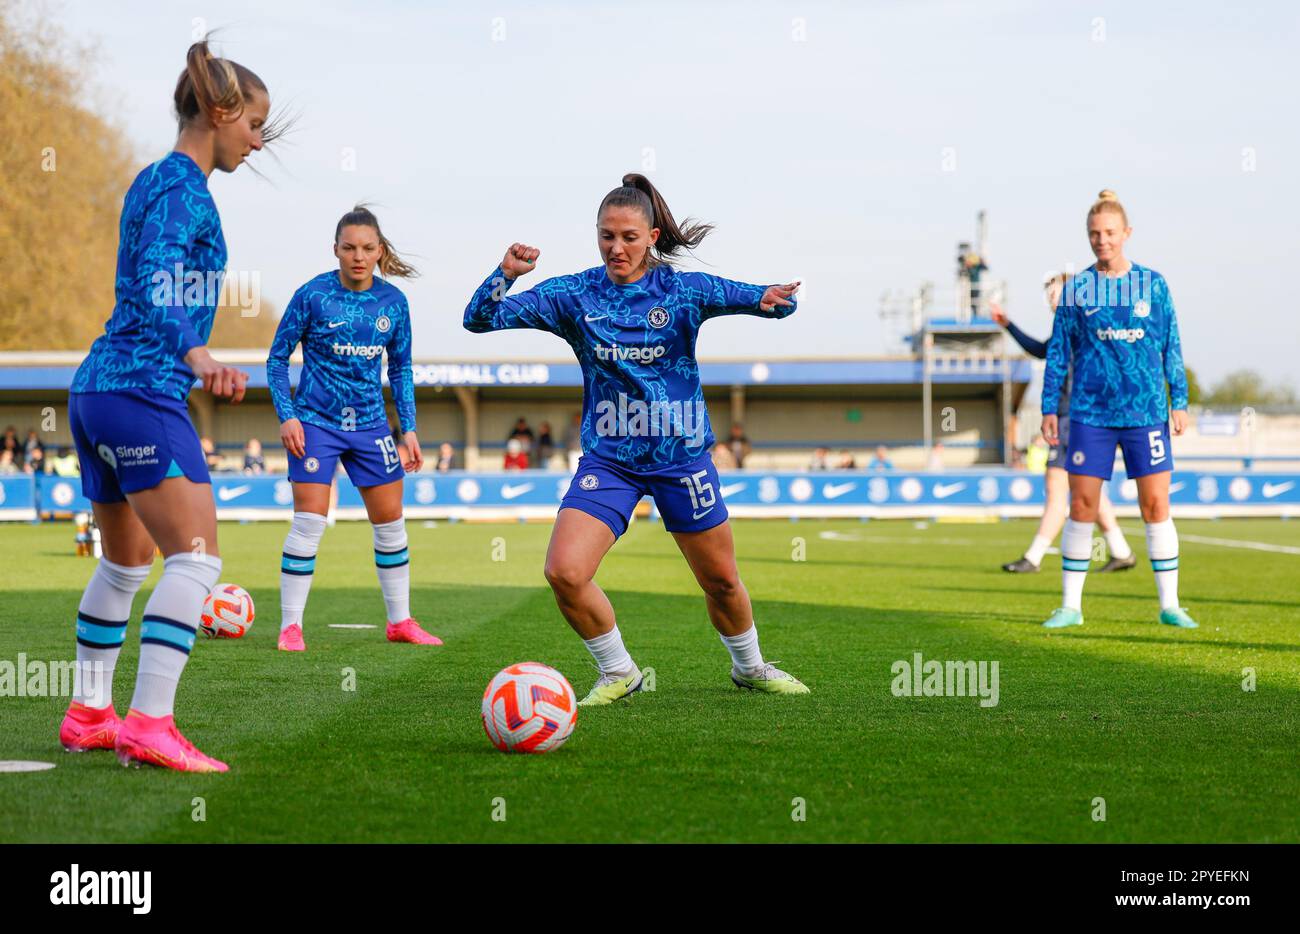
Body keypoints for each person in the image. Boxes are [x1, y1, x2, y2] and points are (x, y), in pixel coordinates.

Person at [464, 172, 808, 702]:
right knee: (564, 571)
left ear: (651, 237)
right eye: (607, 235)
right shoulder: (572, 294)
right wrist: (505, 273)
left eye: (628, 236)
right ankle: (619, 671)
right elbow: (478, 321)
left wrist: (775, 300)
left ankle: (750, 667)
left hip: (682, 457)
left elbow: (767, 300)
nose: (616, 247)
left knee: (720, 582)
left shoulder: (684, 289)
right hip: (611, 461)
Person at [59, 40, 277, 772]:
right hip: (141, 390)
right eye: (253, 123)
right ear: (218, 112)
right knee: (197, 558)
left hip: (96, 390)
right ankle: (151, 724)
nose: (257, 139)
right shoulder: (186, 191)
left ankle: (91, 711)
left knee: (126, 563)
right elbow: (157, 279)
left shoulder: (153, 178)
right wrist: (197, 353)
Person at [268, 205, 441, 651]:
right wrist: (287, 414)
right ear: (336, 250)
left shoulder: (393, 303)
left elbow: (400, 369)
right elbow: (275, 359)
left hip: (370, 426)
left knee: (390, 526)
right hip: (315, 424)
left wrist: (410, 429)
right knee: (309, 522)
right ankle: (291, 627)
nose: (358, 256)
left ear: (380, 251)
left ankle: (399, 622)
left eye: (367, 248)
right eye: (349, 248)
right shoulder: (312, 296)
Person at [1040, 190, 1195, 629]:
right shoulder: (1076, 289)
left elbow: (1171, 344)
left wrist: (1177, 400)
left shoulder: (1155, 283)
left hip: (1146, 412)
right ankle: (1070, 606)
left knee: (1155, 505)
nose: (1101, 240)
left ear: (1126, 233)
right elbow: (1057, 353)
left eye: (1109, 232)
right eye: (1094, 233)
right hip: (1090, 413)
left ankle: (1170, 605)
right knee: (1083, 505)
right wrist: (1050, 406)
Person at [992, 275, 1135, 573]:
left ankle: (1033, 558)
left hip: (1077, 421)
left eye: (1055, 293)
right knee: (1087, 490)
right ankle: (1122, 552)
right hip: (1074, 420)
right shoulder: (1069, 330)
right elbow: (1041, 349)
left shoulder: (1084, 329)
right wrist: (1007, 324)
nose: (1051, 300)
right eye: (1049, 295)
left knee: (1060, 490)